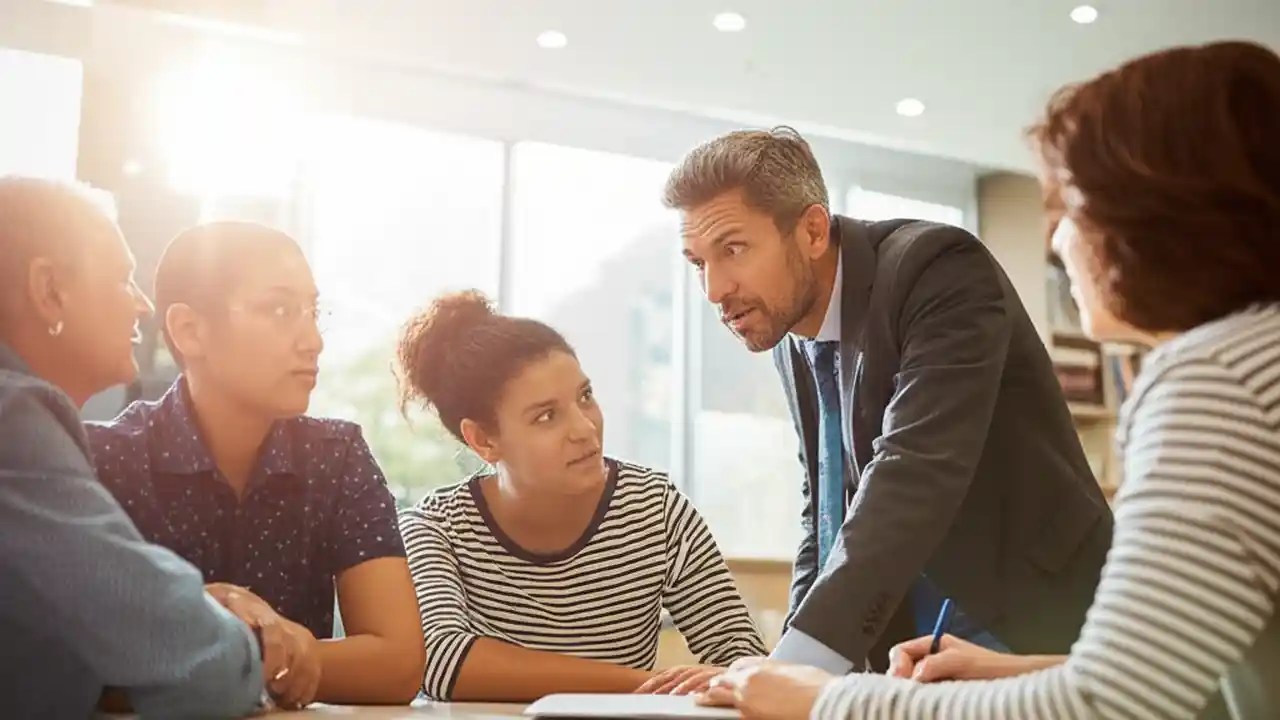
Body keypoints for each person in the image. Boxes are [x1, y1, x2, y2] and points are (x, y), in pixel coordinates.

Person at [701, 40, 1280, 720]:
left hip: (1025, 594)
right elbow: (1184, 673)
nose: (1058, 243)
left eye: (1074, 207)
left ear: (1164, 216)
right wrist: (1022, 672)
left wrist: (828, 699)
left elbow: (1109, 705)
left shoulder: (1213, 378)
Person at [664, 126, 1113, 674]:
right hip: (908, 636)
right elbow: (826, 511)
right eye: (698, 263)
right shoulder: (789, 332)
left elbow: (913, 469)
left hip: (1028, 614)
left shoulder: (936, 270)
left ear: (812, 231)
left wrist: (798, 666)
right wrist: (783, 667)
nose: (714, 289)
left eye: (733, 249)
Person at [86, 221, 425, 709]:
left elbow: (398, 664)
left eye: (313, 312)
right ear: (189, 330)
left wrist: (272, 653)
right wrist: (278, 654)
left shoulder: (336, 454)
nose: (313, 340)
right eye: (280, 310)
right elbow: (80, 664)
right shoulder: (107, 458)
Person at [396, 291, 767, 701]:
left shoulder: (654, 509)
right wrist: (647, 686)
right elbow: (442, 661)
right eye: (546, 416)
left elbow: (742, 658)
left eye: (585, 397)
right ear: (483, 440)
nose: (585, 429)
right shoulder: (435, 528)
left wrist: (711, 680)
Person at [0, 177, 267, 718]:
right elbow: (201, 665)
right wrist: (251, 638)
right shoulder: (14, 423)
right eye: (124, 279)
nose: (142, 306)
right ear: (49, 290)